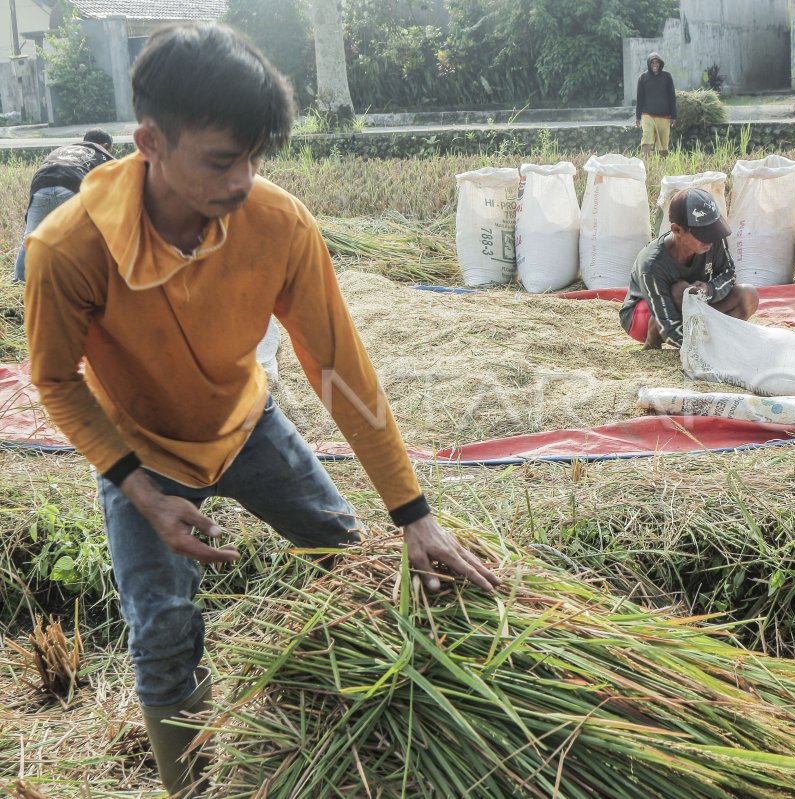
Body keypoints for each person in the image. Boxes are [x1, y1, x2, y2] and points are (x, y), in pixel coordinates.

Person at [23, 23, 500, 797]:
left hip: (246, 425)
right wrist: (140, 490)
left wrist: (412, 508)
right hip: (142, 452)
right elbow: (54, 380)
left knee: (349, 554)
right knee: (162, 635)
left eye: (255, 156)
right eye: (221, 159)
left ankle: (369, 730)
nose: (243, 179)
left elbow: (339, 368)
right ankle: (195, 786)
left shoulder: (277, 224)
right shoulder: (66, 249)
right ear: (150, 140)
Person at [620, 188, 759, 350]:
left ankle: (715, 337)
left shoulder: (714, 239)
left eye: (713, 230)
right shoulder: (651, 264)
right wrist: (703, 351)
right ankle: (653, 342)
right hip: (646, 315)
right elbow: (668, 327)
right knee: (680, 292)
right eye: (703, 234)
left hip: (694, 306)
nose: (711, 239)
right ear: (677, 230)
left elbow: (728, 274)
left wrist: (708, 290)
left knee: (748, 295)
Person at [13, 128, 113, 282]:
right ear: (105, 145)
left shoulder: (63, 149)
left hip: (41, 186)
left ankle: (20, 281)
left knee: (31, 237)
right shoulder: (102, 154)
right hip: (72, 187)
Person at [635, 52, 676, 160]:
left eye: (657, 62)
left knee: (663, 143)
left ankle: (663, 166)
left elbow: (672, 96)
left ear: (660, 64)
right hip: (647, 114)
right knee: (647, 136)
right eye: (652, 62)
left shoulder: (667, 77)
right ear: (649, 64)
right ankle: (646, 163)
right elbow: (639, 98)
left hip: (664, 115)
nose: (655, 64)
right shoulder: (643, 78)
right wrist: (638, 117)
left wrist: (674, 116)